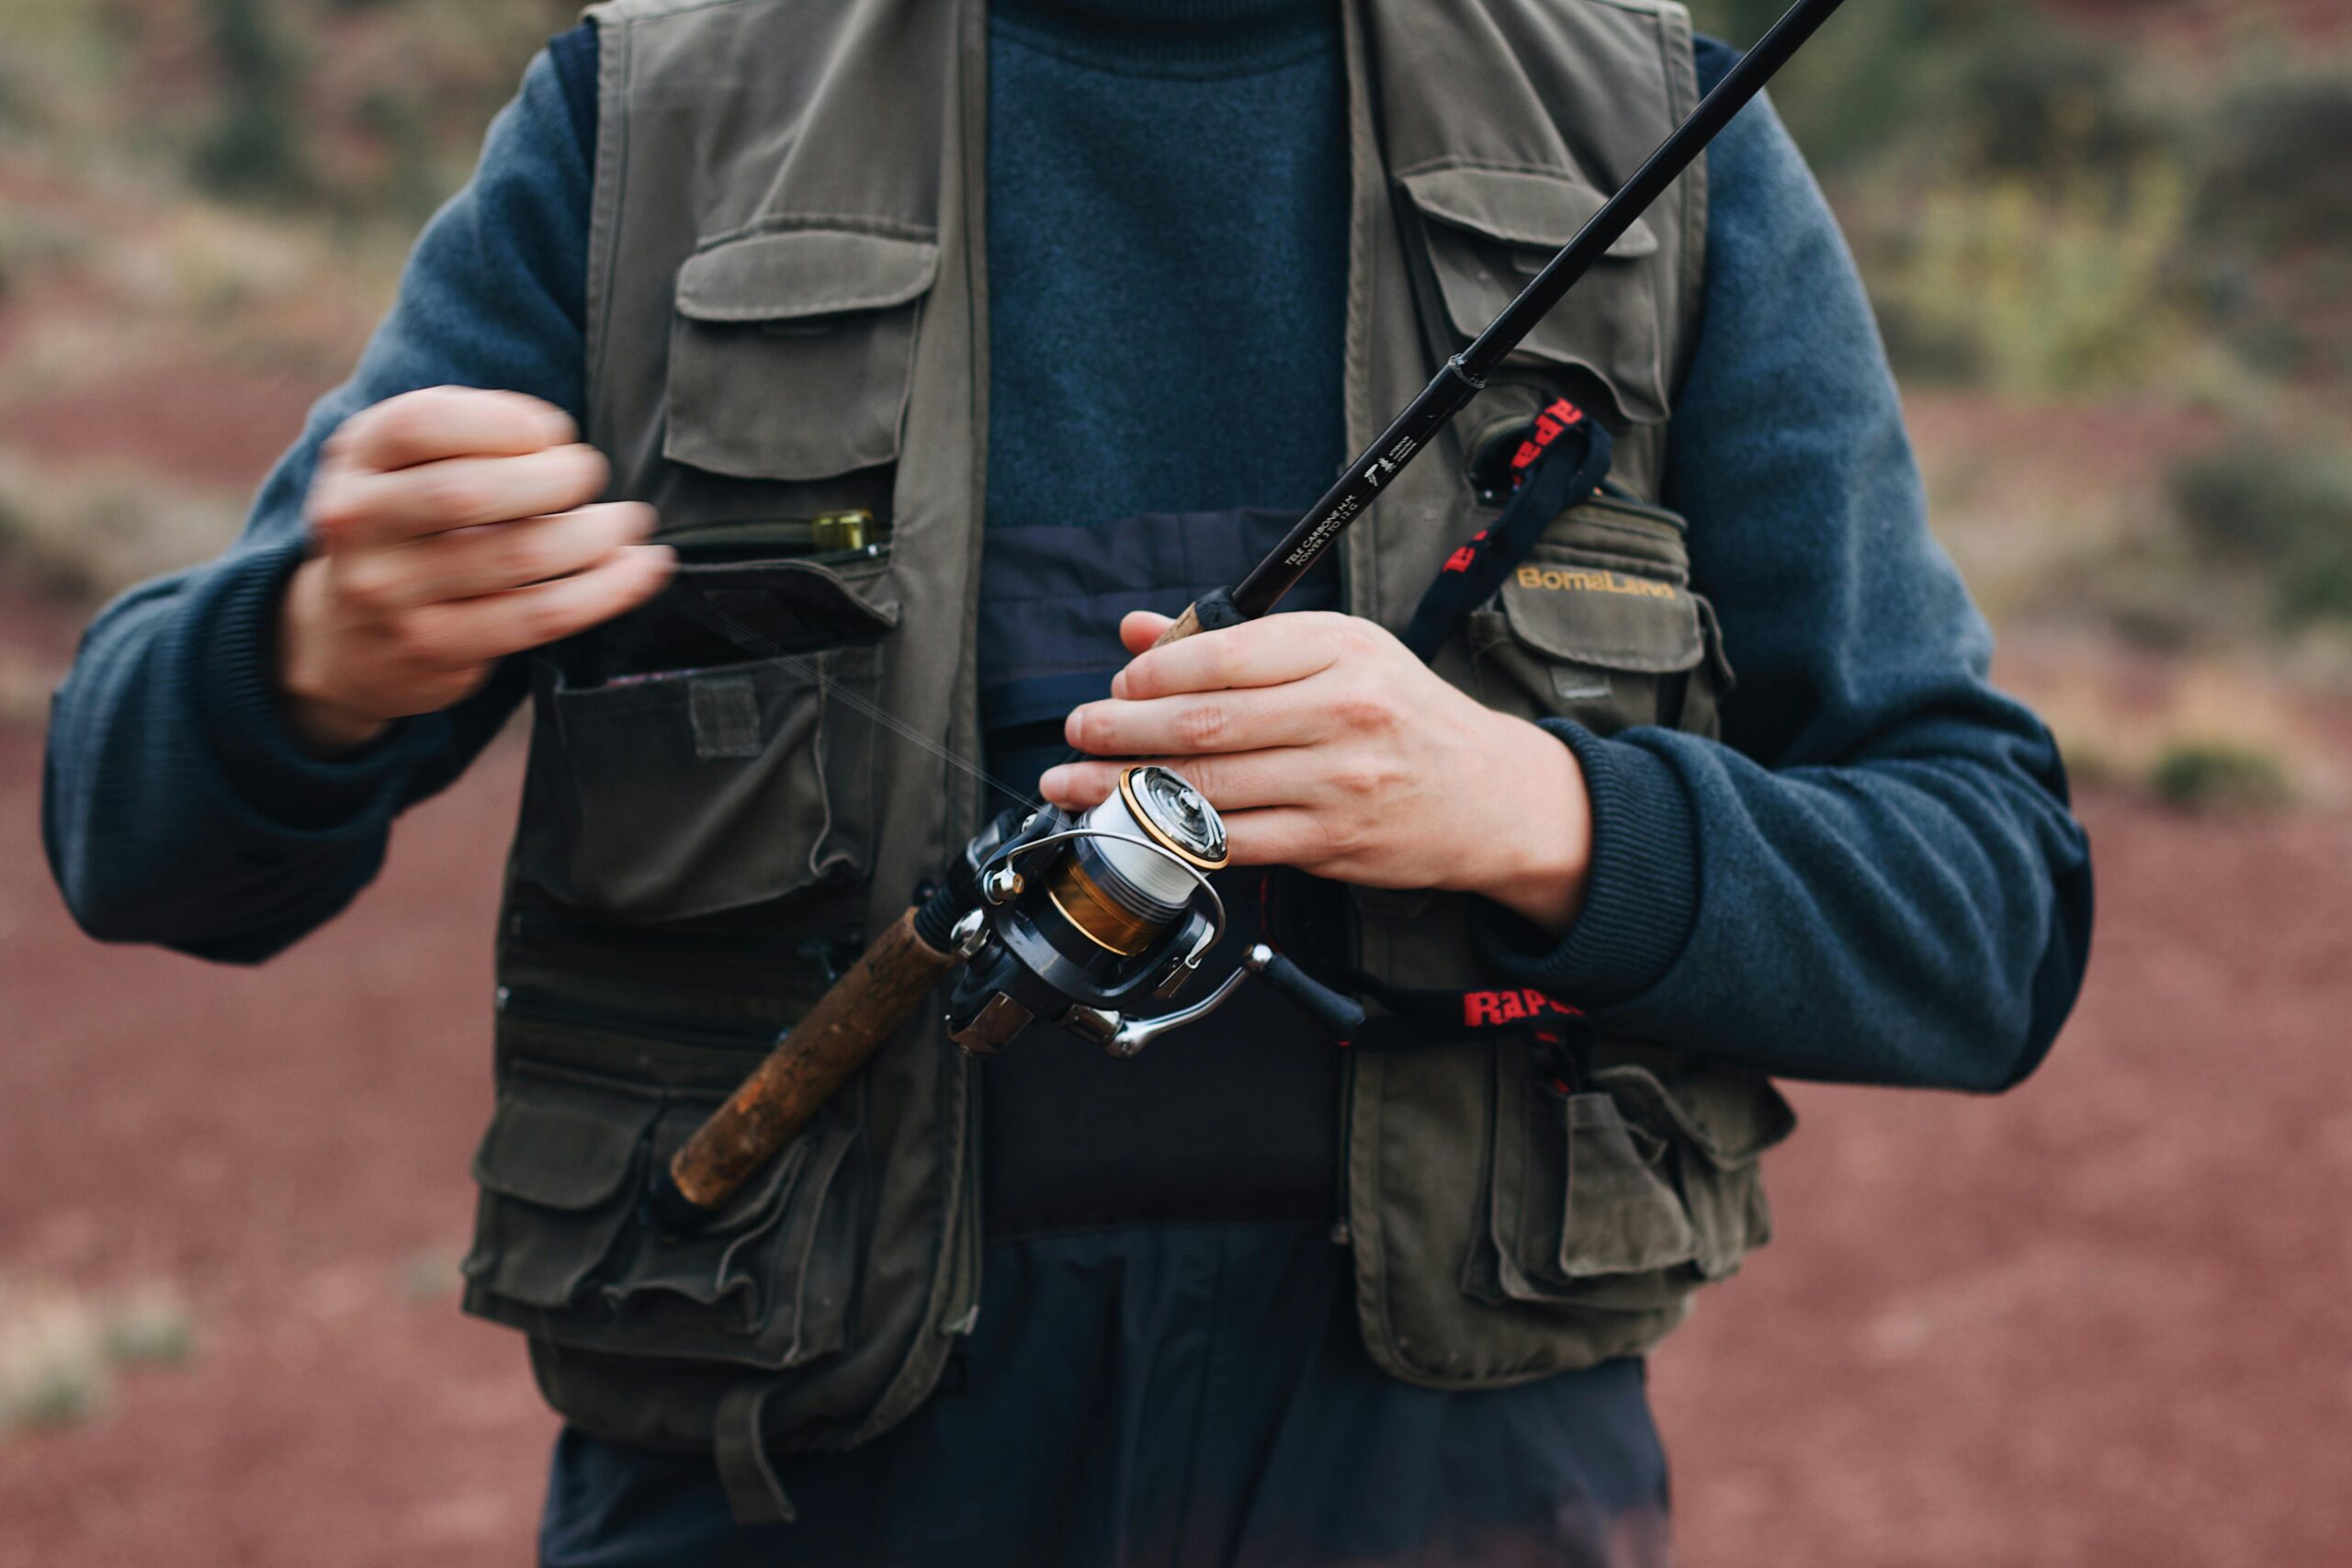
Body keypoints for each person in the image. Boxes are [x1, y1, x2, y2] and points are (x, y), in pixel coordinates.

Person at [41, 1, 2094, 1562]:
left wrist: (1540, 809)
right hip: (780, 1477)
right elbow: (136, 835)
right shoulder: (650, 116)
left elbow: (1989, 915)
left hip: (1447, 1482)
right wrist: (304, 657)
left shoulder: (1656, 126)